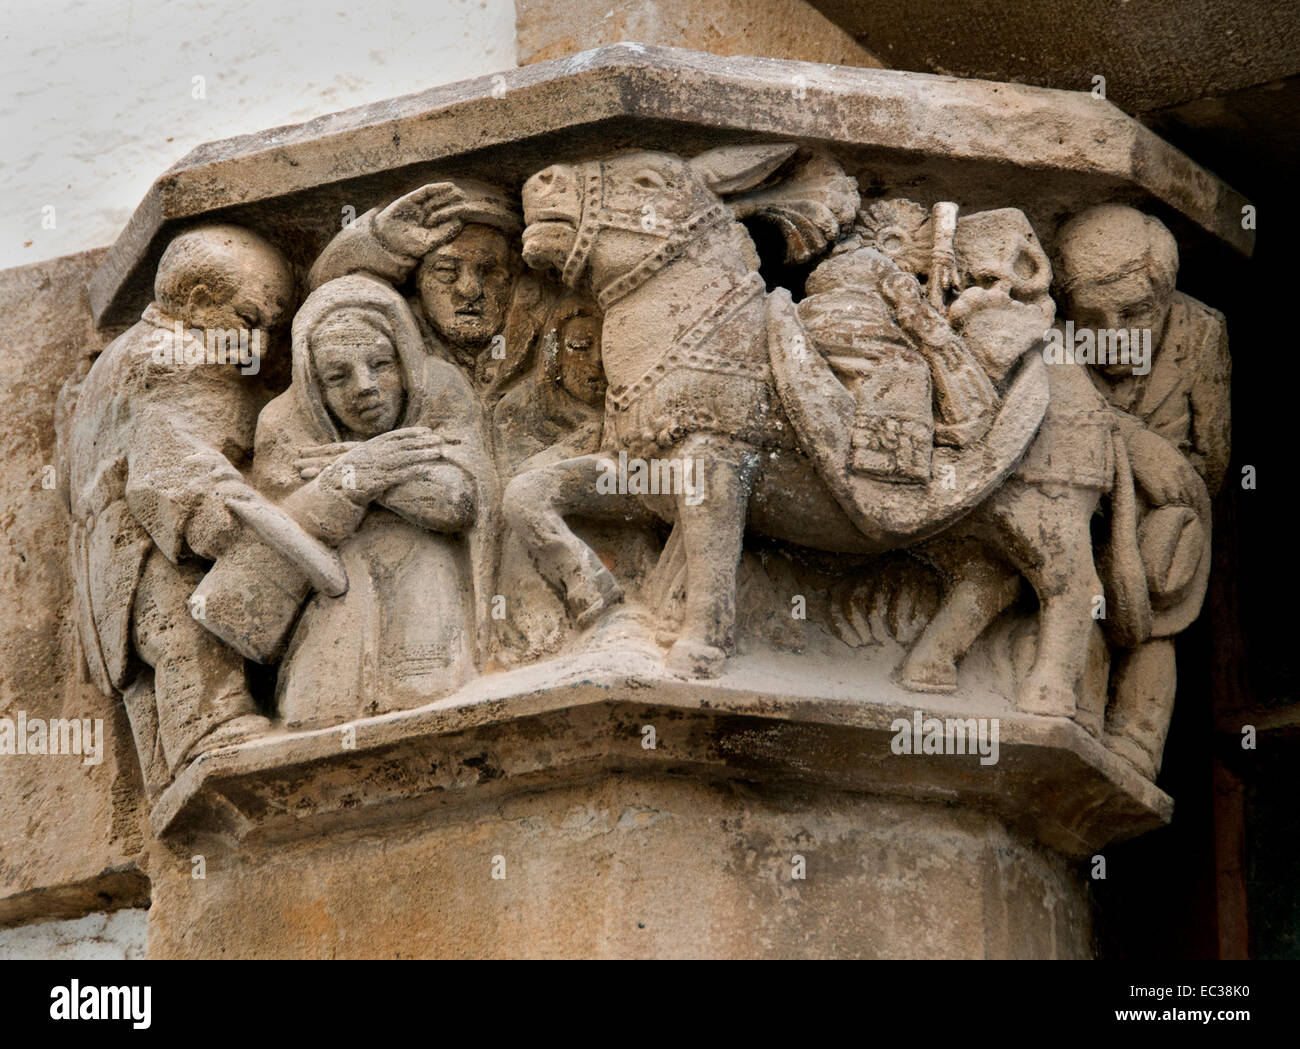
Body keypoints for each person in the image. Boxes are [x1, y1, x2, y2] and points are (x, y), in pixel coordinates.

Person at [63, 224, 295, 795]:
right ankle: (209, 733)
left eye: (273, 329)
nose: (261, 347)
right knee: (190, 637)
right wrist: (237, 532)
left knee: (150, 676)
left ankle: (172, 772)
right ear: (196, 303)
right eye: (250, 321)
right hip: (155, 554)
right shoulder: (180, 358)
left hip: (106, 571)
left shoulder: (115, 359)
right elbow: (175, 467)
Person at [252, 274, 499, 726]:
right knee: (317, 716)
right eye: (337, 375)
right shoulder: (283, 422)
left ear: (405, 360)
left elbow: (459, 503)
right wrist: (364, 472)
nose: (364, 387)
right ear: (313, 385)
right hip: (333, 594)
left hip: (430, 578)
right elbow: (280, 535)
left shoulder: (440, 388)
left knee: (428, 699)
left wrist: (360, 470)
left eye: (381, 364)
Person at [1056, 204, 1231, 777]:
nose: (1113, 336)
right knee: (1082, 593)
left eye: (1133, 312)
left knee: (1157, 620)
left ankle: (1137, 738)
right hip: (1087, 508)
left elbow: (1214, 452)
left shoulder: (1200, 333)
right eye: (1092, 317)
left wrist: (1176, 493)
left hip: (1169, 517)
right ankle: (1074, 712)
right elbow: (1048, 422)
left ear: (1166, 295)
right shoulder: (1052, 341)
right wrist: (1130, 441)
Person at [308, 180, 550, 403]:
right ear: (416, 280)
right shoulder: (396, 328)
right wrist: (380, 242)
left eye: (489, 271)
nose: (470, 289)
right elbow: (328, 293)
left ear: (514, 272)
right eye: (446, 271)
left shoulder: (548, 322)